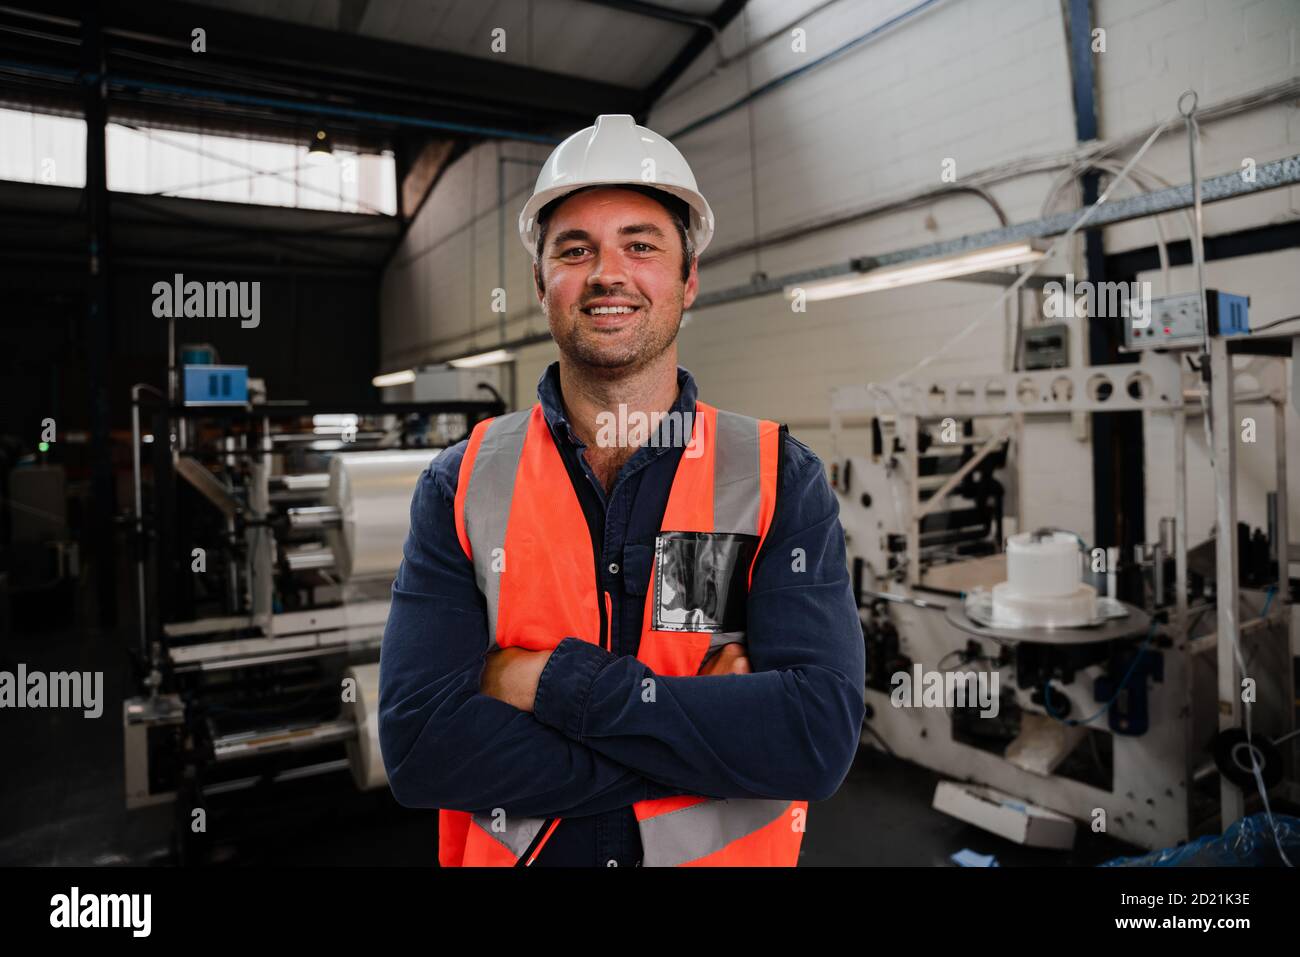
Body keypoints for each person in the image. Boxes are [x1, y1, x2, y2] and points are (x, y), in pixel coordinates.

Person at [379, 115, 865, 866]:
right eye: (575, 250)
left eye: (641, 244)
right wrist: (705, 733)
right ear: (541, 282)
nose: (609, 272)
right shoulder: (462, 481)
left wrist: (536, 679)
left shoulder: (773, 475)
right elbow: (420, 747)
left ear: (687, 279)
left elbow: (814, 737)